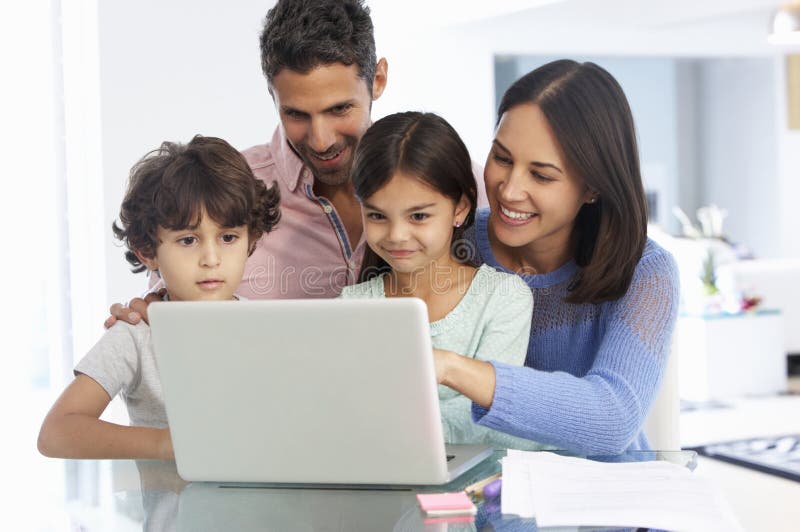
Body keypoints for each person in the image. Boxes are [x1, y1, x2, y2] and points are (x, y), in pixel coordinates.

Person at [433, 60, 680, 455]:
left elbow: (612, 418)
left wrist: (452, 368)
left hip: (605, 504)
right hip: (484, 500)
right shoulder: (450, 243)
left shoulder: (645, 271)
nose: (509, 190)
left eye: (542, 175)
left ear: (593, 187)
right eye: (502, 158)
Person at [37, 136, 281, 459]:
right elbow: (56, 433)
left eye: (228, 237)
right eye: (188, 240)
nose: (211, 258)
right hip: (173, 508)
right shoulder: (136, 334)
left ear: (251, 241)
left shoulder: (269, 329)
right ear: (148, 251)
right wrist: (167, 444)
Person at [339, 112, 543, 449]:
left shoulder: (503, 298)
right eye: (377, 215)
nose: (396, 235)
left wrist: (387, 429)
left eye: (418, 216)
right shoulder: (350, 307)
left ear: (460, 208)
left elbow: (487, 414)